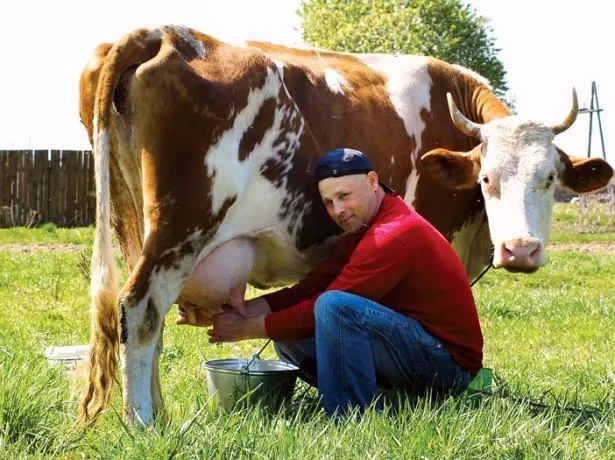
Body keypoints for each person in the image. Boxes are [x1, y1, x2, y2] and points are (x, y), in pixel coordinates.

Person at [184, 148, 483, 417]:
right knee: (292, 329)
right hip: (413, 347)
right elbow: (309, 289)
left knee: (334, 307)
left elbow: (326, 303)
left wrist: (247, 329)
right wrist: (235, 314)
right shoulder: (366, 228)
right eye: (328, 201)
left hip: (448, 366)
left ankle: (350, 415)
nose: (337, 210)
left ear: (372, 182)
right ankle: (367, 396)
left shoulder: (392, 234)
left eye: (344, 196)